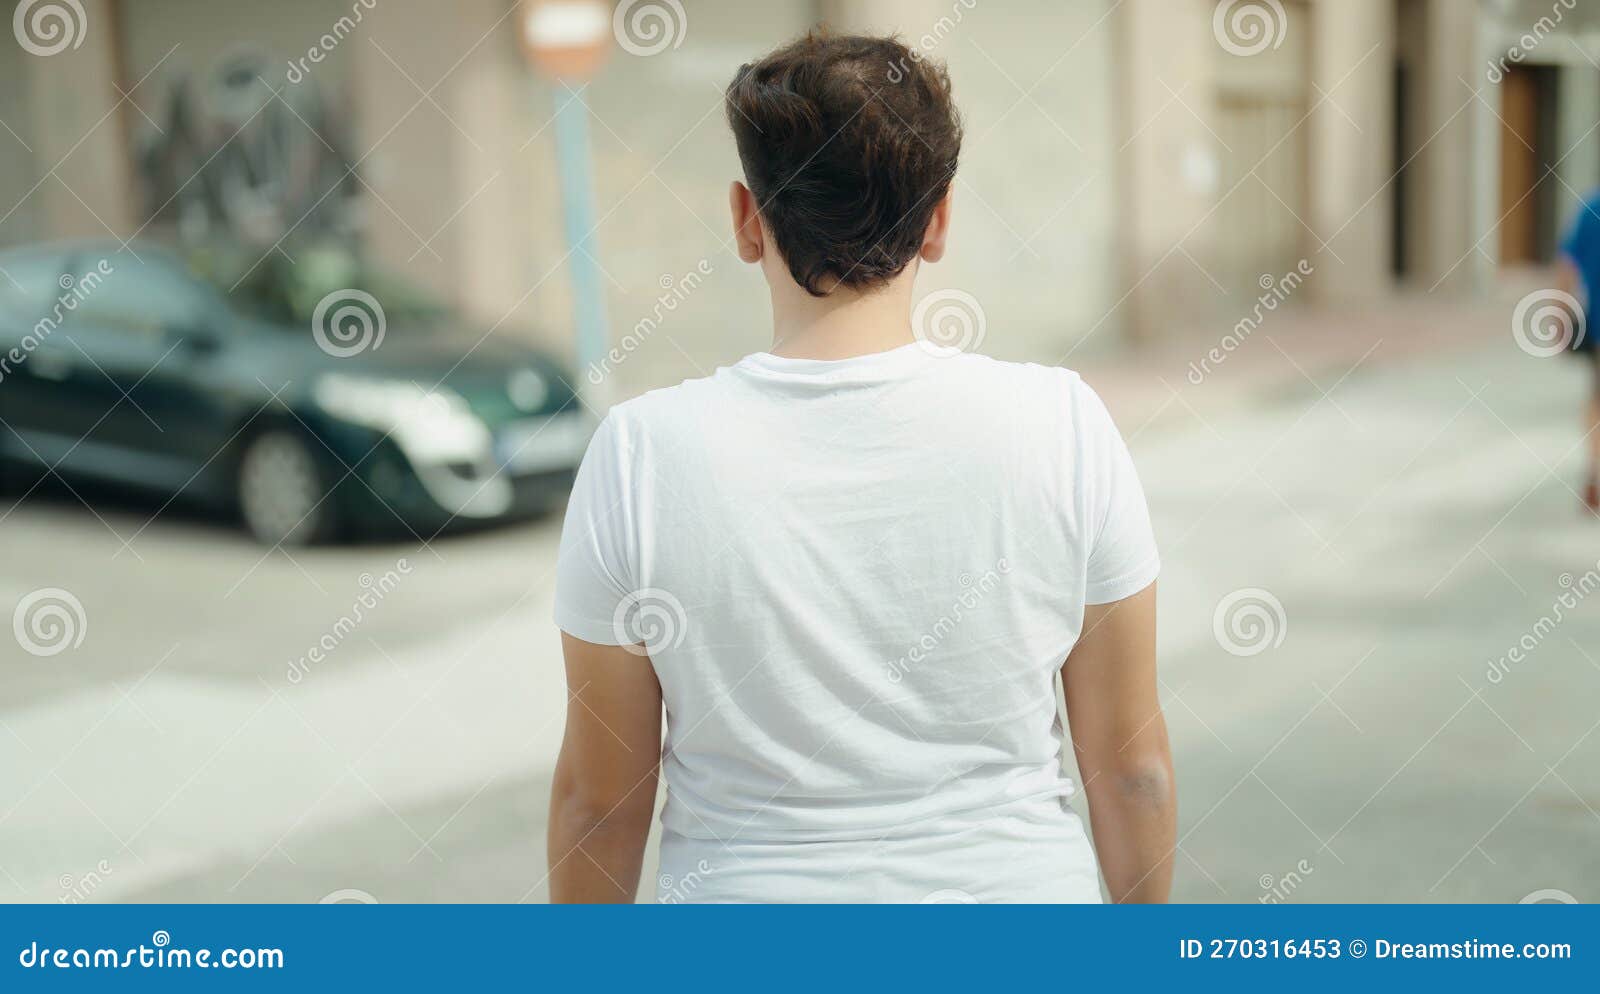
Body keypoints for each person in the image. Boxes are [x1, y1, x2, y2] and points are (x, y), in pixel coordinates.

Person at [547, 31, 1174, 903]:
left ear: (744, 218)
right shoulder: (1064, 426)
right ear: (940, 220)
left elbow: (600, 804)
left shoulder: (639, 455)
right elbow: (1131, 769)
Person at [1557, 193, 1600, 514]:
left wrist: (1560, 318)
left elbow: (1567, 267)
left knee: (1597, 400)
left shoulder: (1591, 208)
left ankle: (1594, 474)